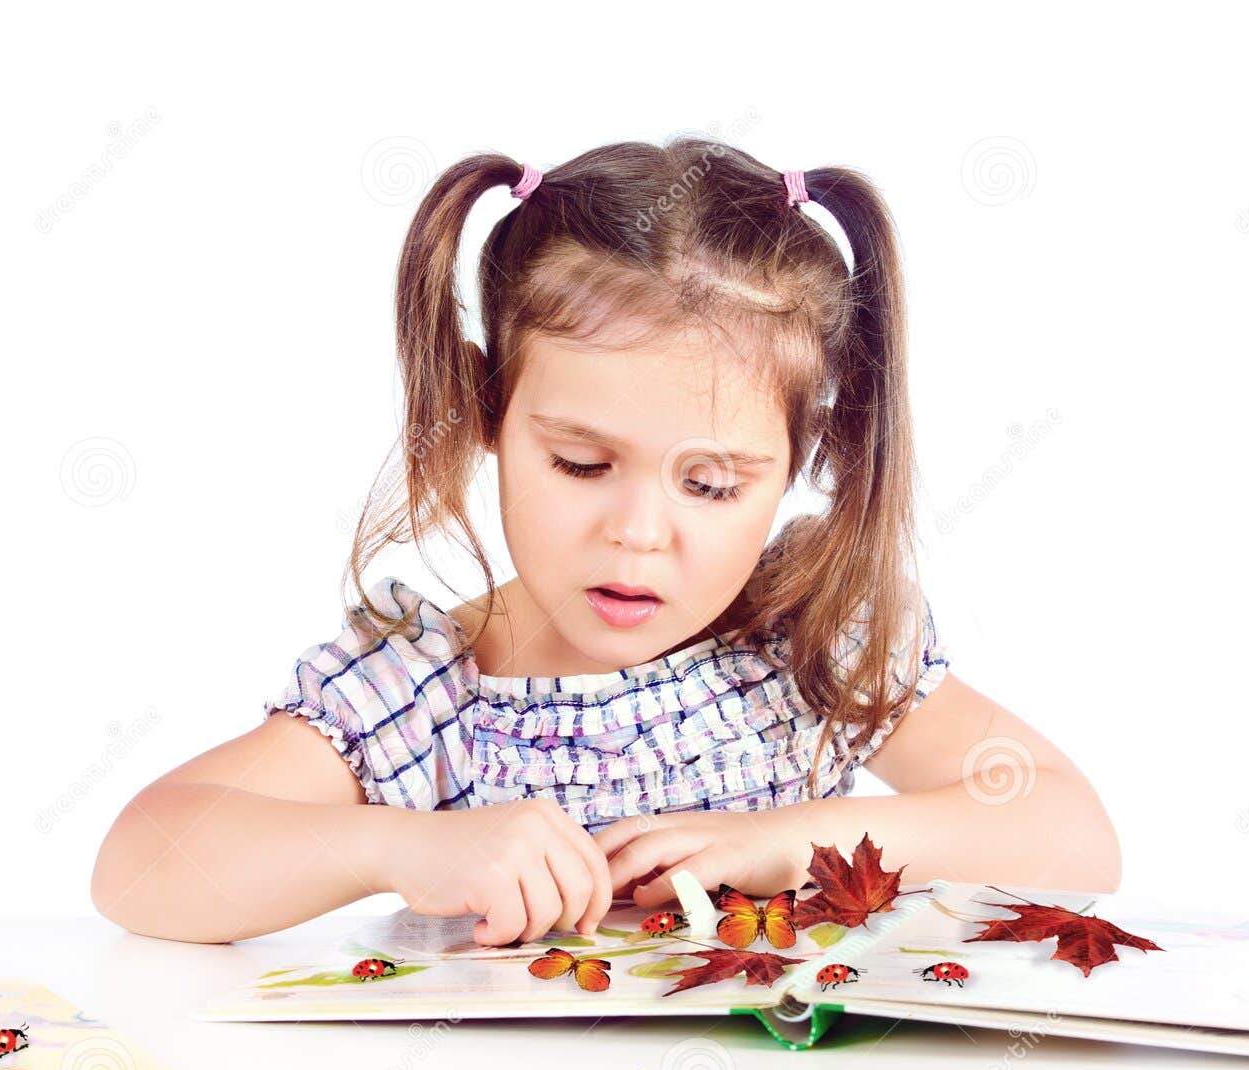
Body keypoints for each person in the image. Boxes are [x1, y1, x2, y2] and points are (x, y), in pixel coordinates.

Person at [91, 139, 1120, 948]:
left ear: (803, 454)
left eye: (711, 483)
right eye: (581, 465)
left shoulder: (809, 639)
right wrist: (400, 846)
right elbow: (140, 865)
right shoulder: (429, 689)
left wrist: (783, 843)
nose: (636, 531)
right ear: (482, 410)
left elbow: (1069, 832)